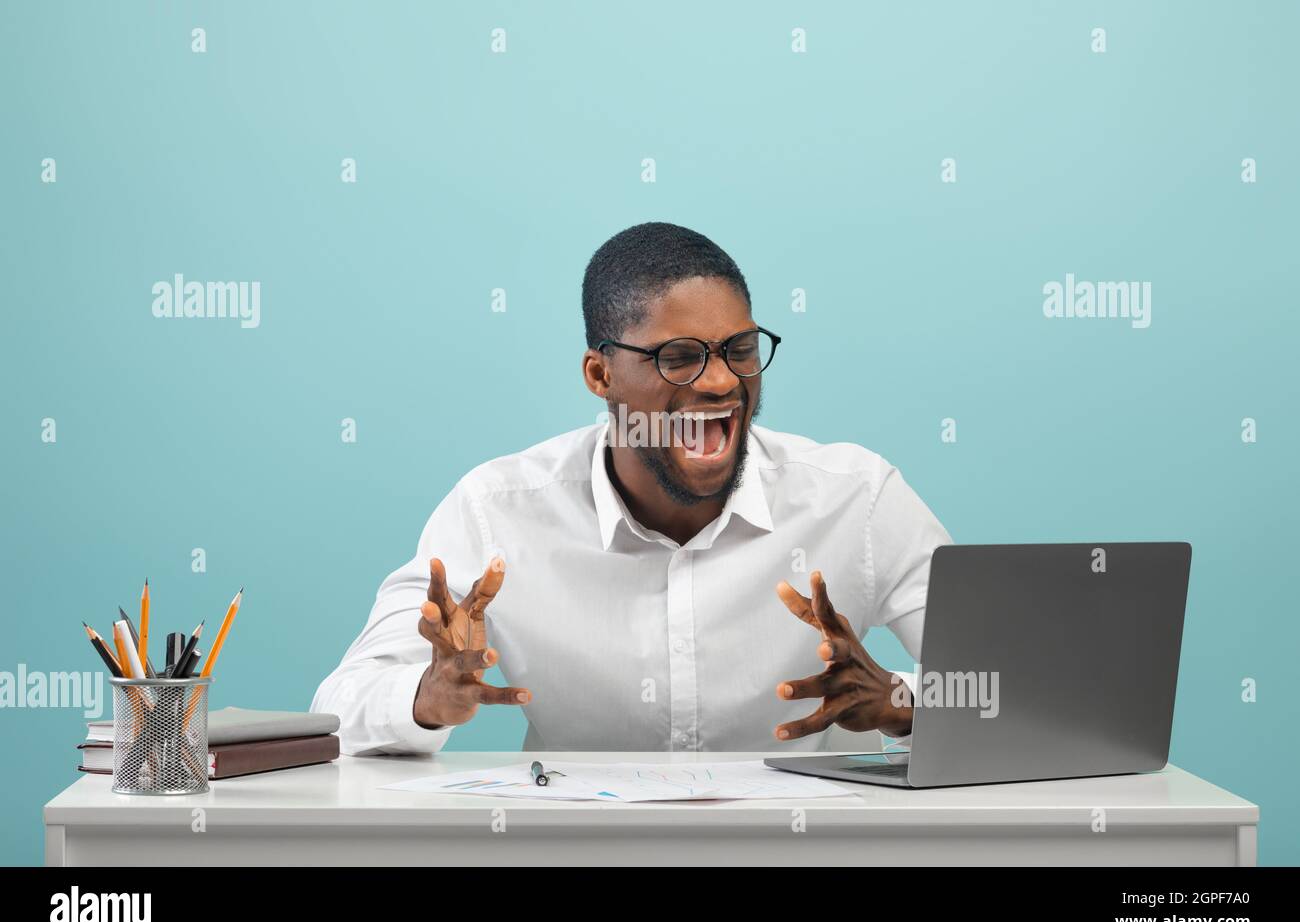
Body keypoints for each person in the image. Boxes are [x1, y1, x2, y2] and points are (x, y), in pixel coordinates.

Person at [311, 221, 952, 755]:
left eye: (740, 349)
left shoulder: (856, 498)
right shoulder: (496, 510)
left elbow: (1010, 686)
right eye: (679, 357)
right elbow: (340, 705)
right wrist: (427, 698)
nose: (723, 383)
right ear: (600, 374)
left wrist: (904, 701)